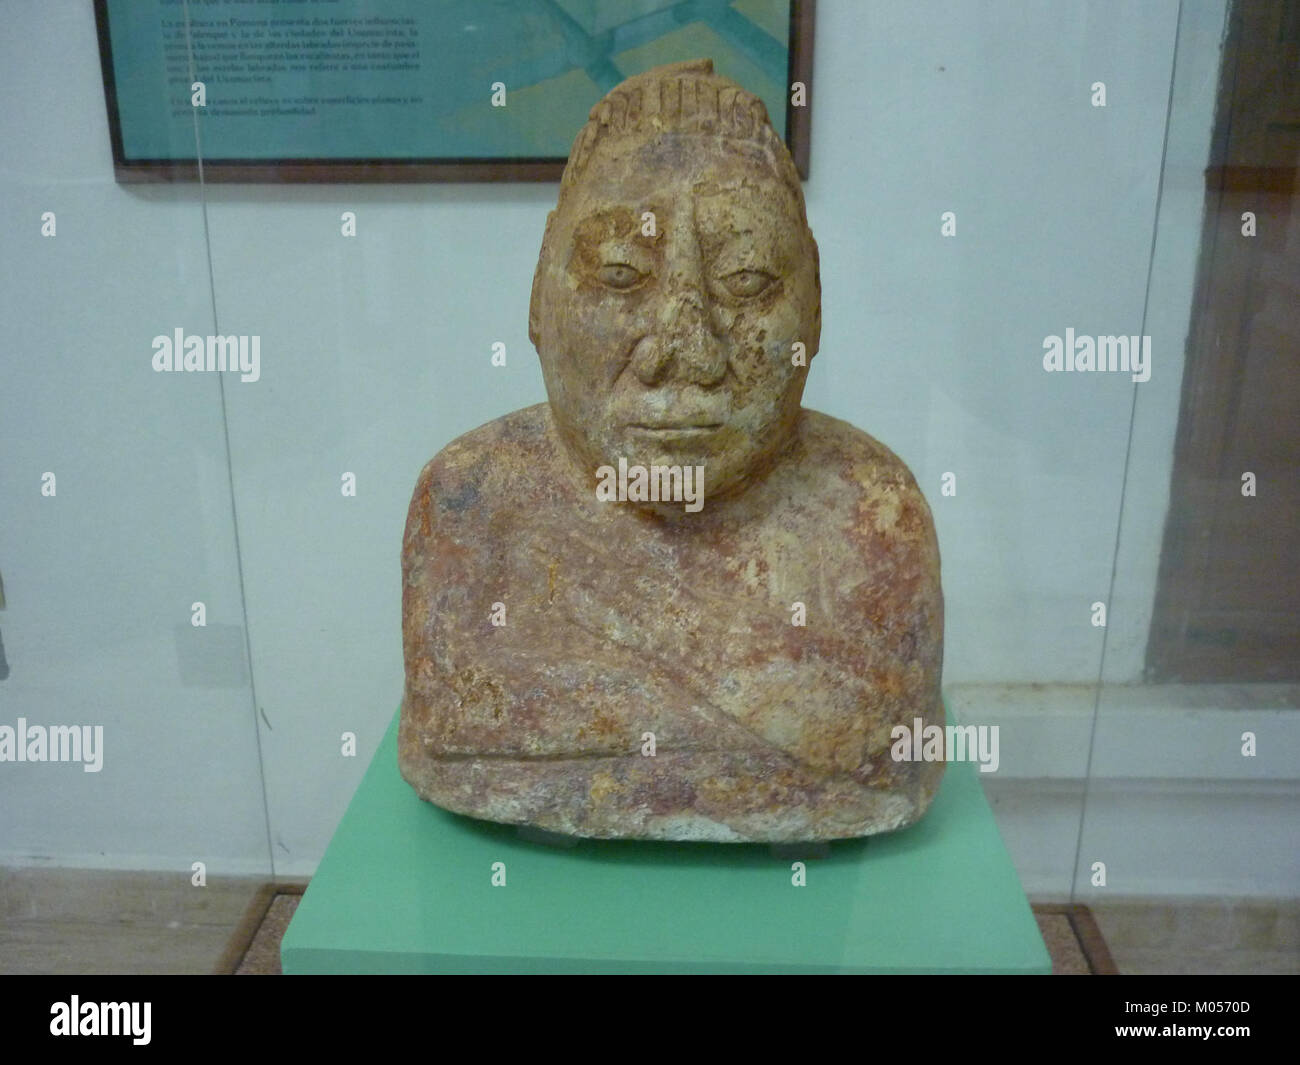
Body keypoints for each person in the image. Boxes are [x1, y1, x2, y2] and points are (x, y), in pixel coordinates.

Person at [399, 59, 944, 842]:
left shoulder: (869, 511)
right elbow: (456, 718)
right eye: (621, 274)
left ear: (814, 305)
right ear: (538, 295)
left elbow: (886, 740)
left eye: (748, 279)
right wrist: (787, 709)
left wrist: (562, 701)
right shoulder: (475, 500)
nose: (687, 347)